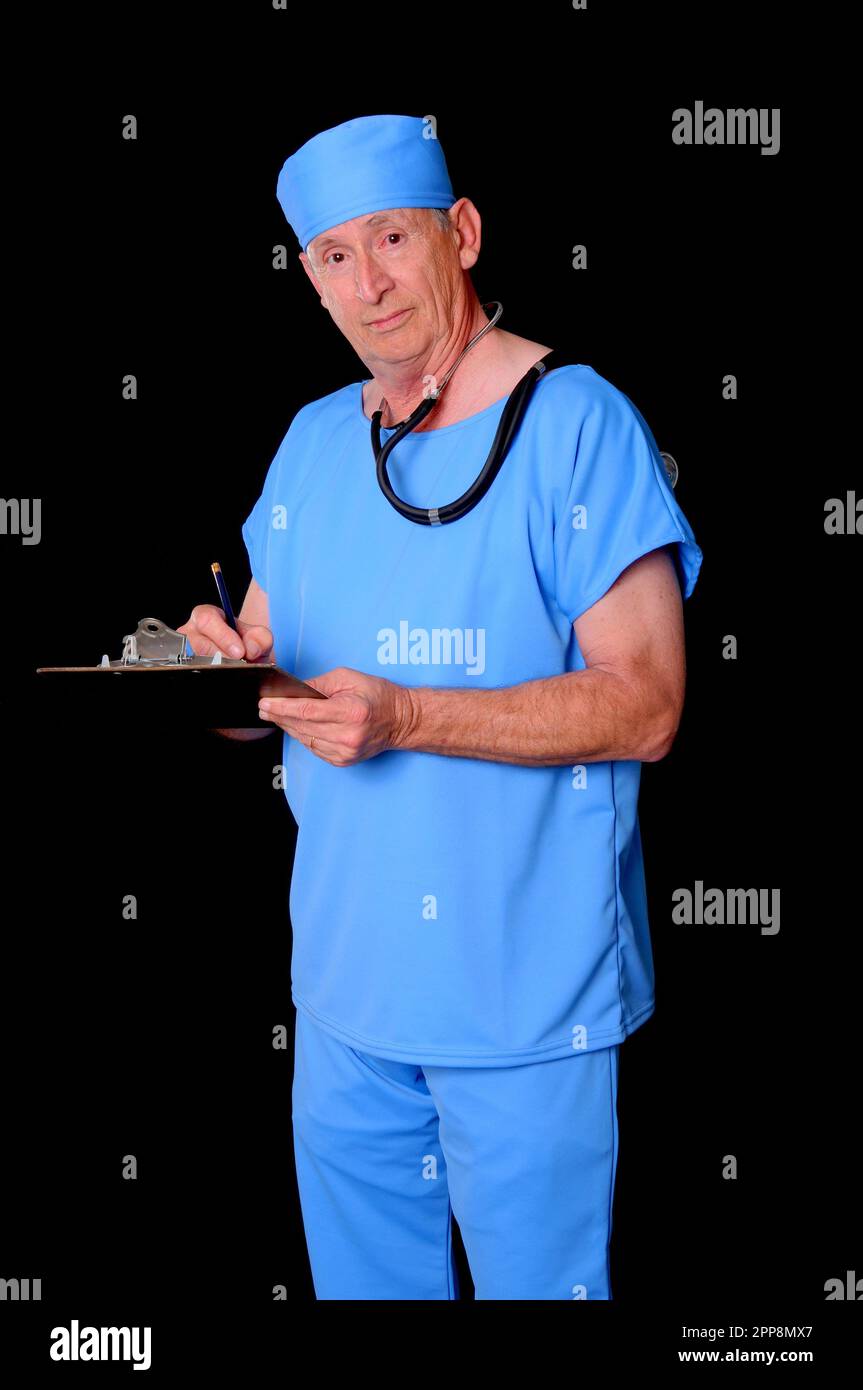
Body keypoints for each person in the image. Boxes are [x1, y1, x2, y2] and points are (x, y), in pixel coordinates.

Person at [179, 114, 704, 1300]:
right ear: (308, 277)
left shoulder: (579, 425)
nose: (365, 284)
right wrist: (214, 670)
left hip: (525, 1001)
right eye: (332, 256)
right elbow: (264, 678)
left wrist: (410, 718)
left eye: (389, 239)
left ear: (459, 234)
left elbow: (647, 706)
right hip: (346, 1000)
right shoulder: (313, 443)